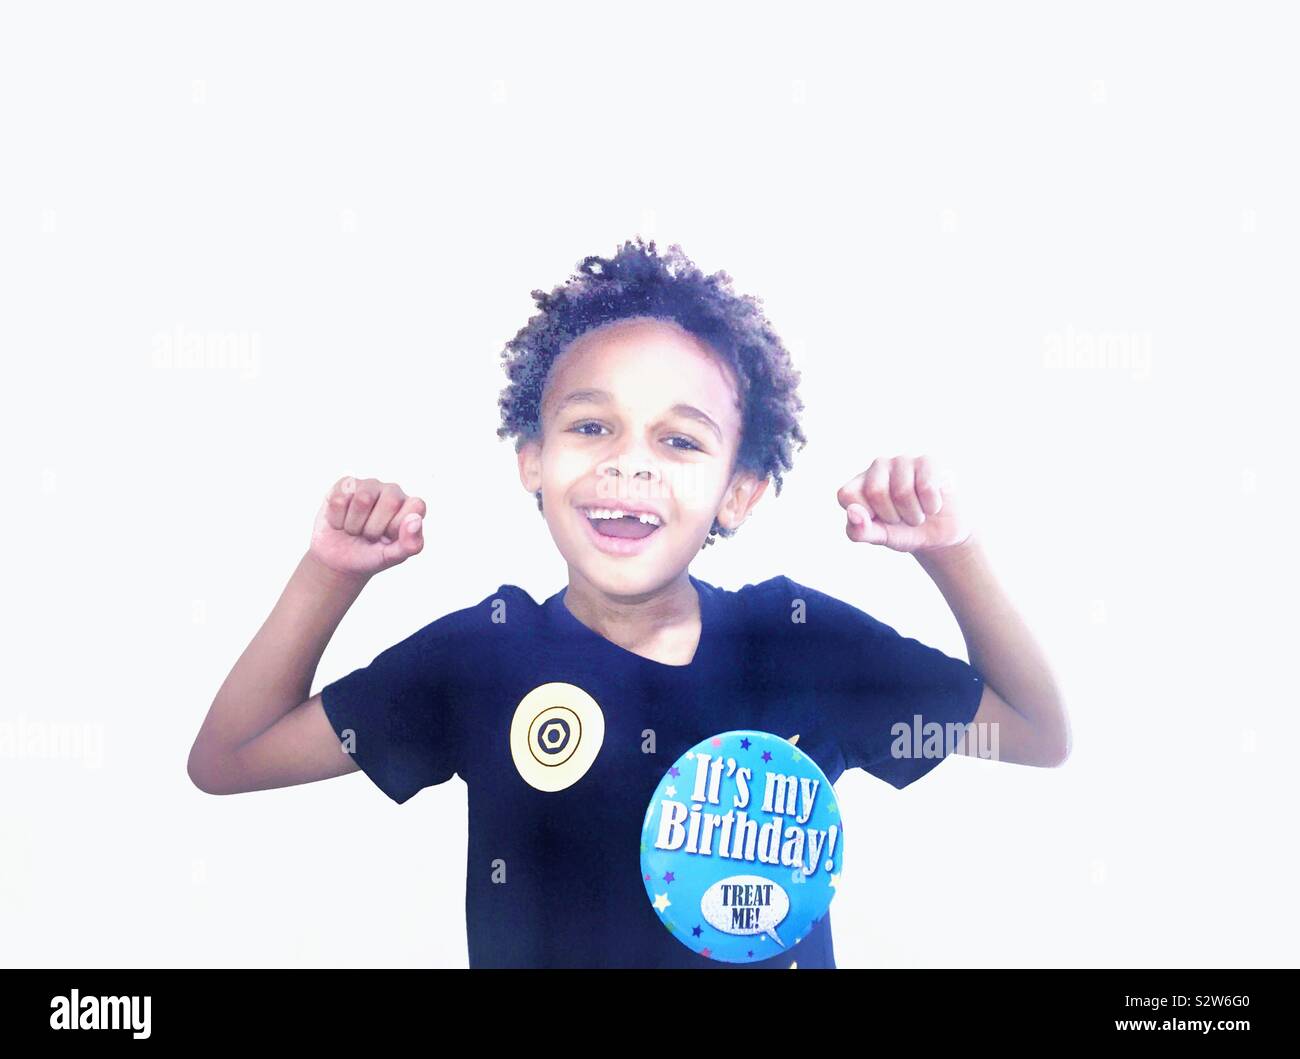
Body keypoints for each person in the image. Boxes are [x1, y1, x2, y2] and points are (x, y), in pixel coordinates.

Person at [187, 237, 1070, 968]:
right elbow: (229, 756)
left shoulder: (796, 641)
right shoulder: (482, 654)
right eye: (590, 425)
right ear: (531, 458)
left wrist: (952, 551)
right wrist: (331, 573)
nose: (630, 461)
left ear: (741, 490)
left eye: (680, 438)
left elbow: (1035, 730)